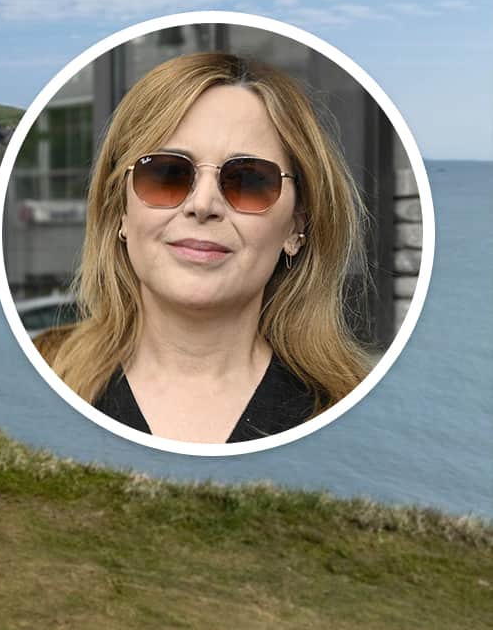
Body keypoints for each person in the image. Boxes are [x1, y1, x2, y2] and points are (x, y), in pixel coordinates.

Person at [34, 53, 368, 444]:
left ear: (295, 227)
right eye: (166, 174)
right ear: (121, 212)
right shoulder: (42, 369)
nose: (203, 205)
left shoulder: (352, 410)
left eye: (248, 181)